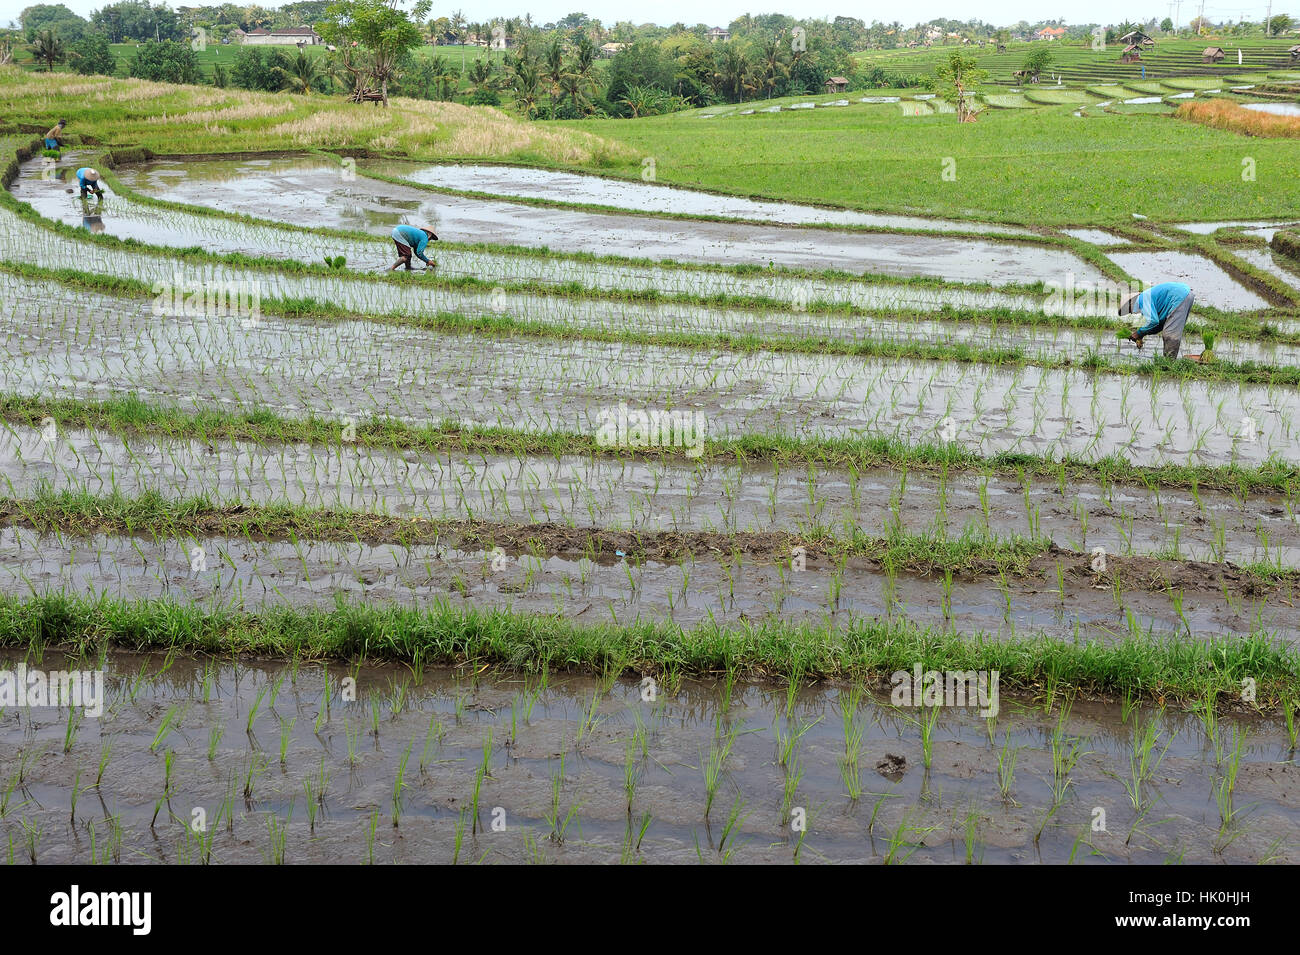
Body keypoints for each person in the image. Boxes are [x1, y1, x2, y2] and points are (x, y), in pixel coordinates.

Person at [1119, 282, 1196, 360]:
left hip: (1179, 296)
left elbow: (1153, 321)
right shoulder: (1147, 296)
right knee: (1169, 329)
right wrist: (1142, 334)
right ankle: (1168, 362)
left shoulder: (1143, 299)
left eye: (1129, 310)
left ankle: (1168, 364)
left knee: (1170, 334)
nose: (1132, 313)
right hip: (1186, 294)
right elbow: (1159, 324)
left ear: (1131, 303)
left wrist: (1138, 333)